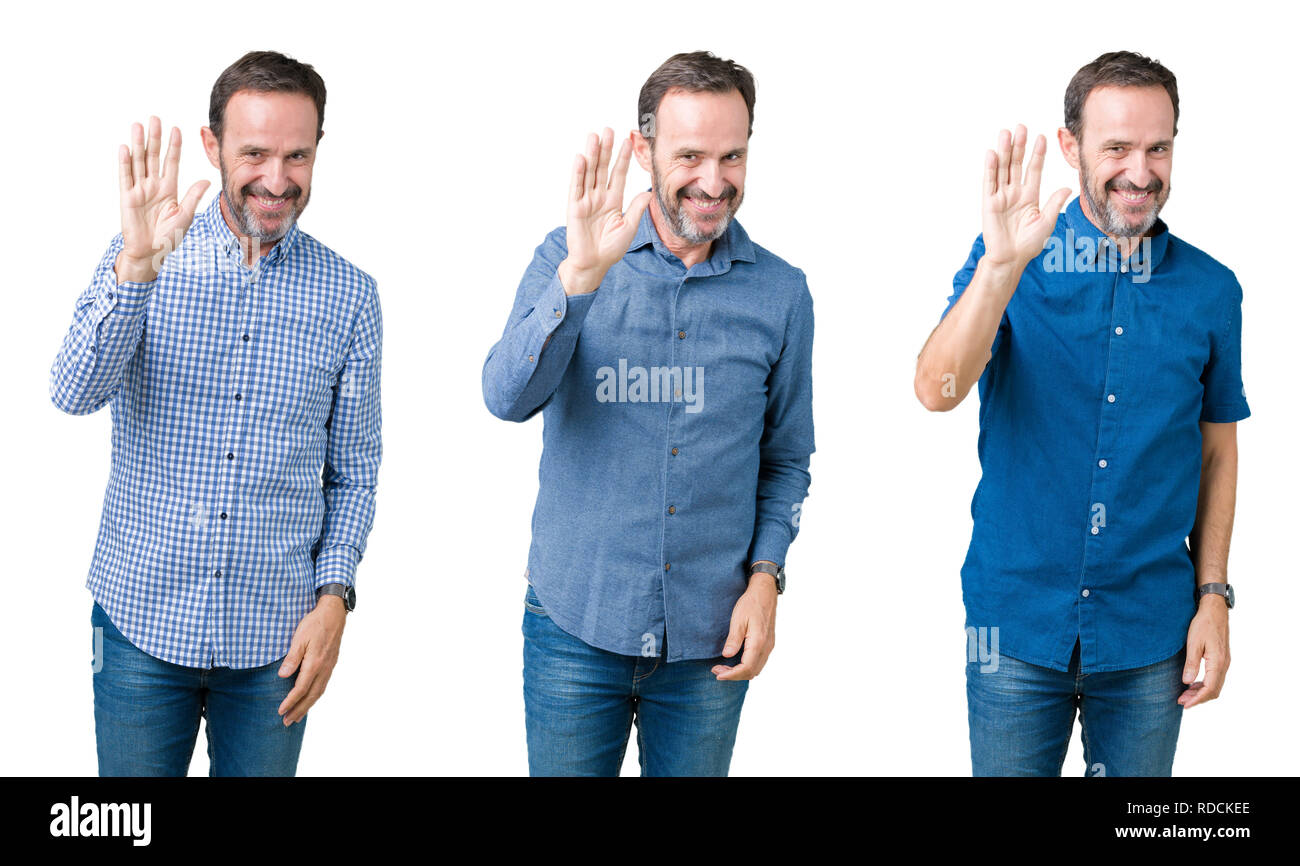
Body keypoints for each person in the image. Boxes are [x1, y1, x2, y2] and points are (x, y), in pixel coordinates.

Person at [915, 51, 1248, 776]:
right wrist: (999, 269)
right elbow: (937, 390)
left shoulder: (1213, 290)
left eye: (1159, 148)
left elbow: (1218, 452)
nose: (1141, 171)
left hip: (1149, 635)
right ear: (1071, 147)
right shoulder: (1010, 261)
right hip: (1014, 627)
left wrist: (1214, 597)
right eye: (1117, 148)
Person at [50, 50, 382, 776]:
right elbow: (72, 391)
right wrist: (135, 271)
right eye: (255, 153)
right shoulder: (145, 254)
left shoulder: (351, 297)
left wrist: (335, 598)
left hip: (275, 644)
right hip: (139, 625)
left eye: (297, 155)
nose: (277, 179)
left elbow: (355, 473)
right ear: (212, 145)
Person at [483, 51, 815, 776]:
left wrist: (767, 577)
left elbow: (787, 458)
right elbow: (506, 398)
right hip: (574, 628)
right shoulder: (568, 256)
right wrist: (579, 281)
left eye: (732, 156)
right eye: (690, 156)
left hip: (709, 643)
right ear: (644, 150)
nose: (714, 182)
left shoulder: (782, 294)